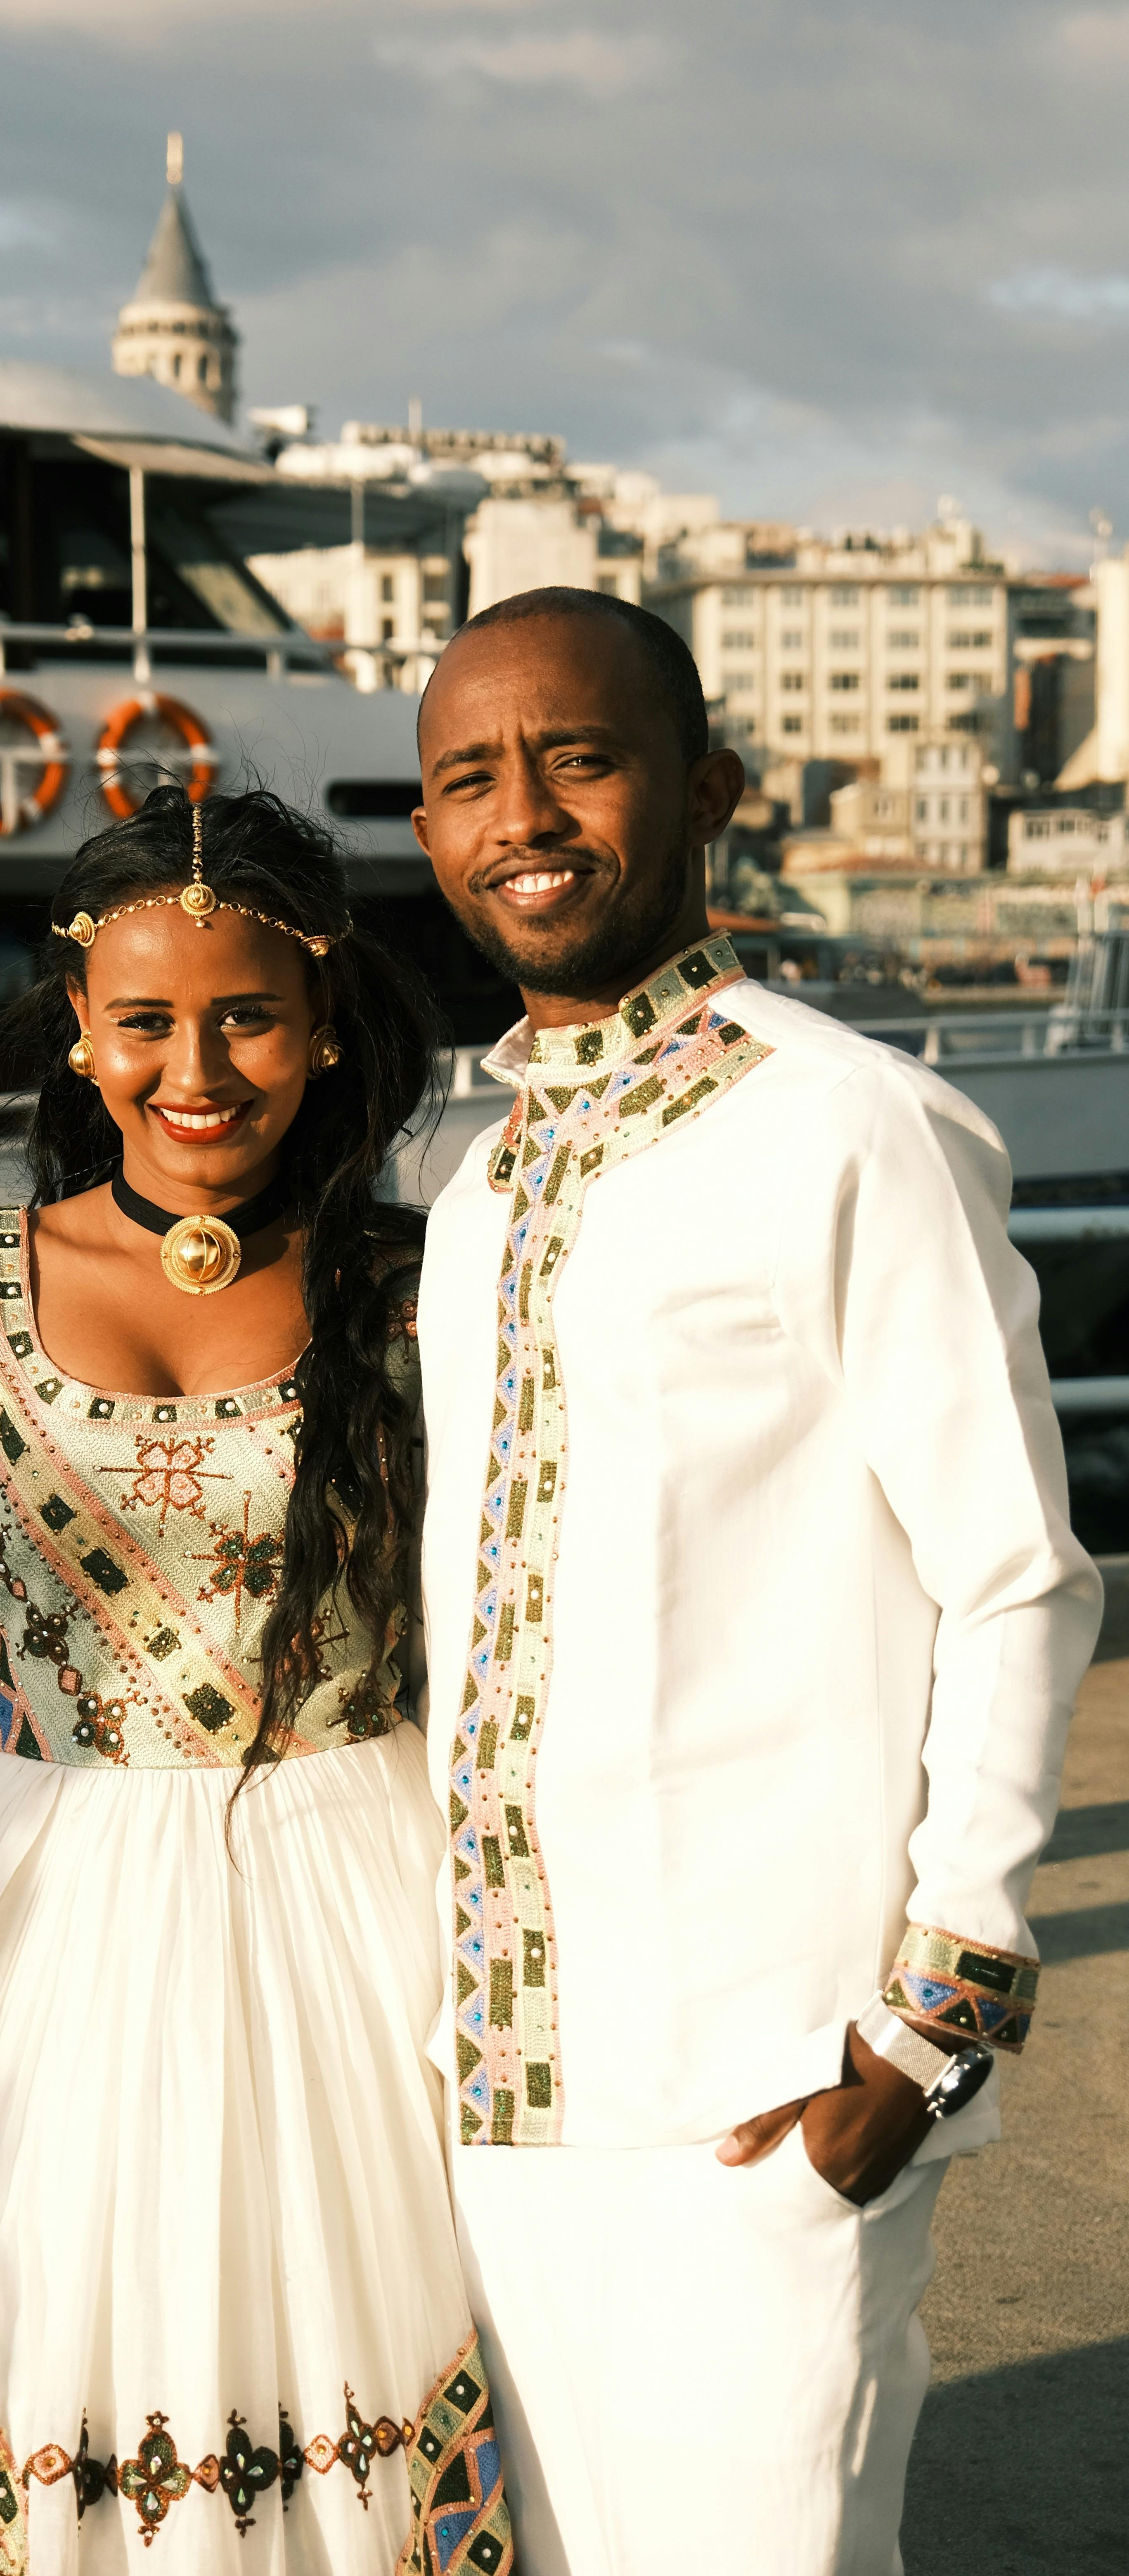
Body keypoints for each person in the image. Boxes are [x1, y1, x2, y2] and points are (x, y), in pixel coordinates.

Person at [0, 786, 515, 2576]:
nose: (193, 1066)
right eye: (144, 1021)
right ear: (80, 1029)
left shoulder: (430, 1290)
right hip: (27, 1937)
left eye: (244, 1016)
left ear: (323, 1025)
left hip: (360, 1927)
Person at [409, 589, 1101, 2574]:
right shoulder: (472, 1183)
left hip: (767, 2084)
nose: (522, 815)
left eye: (580, 757)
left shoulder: (849, 1126)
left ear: (702, 788)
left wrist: (924, 2024)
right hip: (495, 2091)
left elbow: (1015, 1577)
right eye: (469, 778)